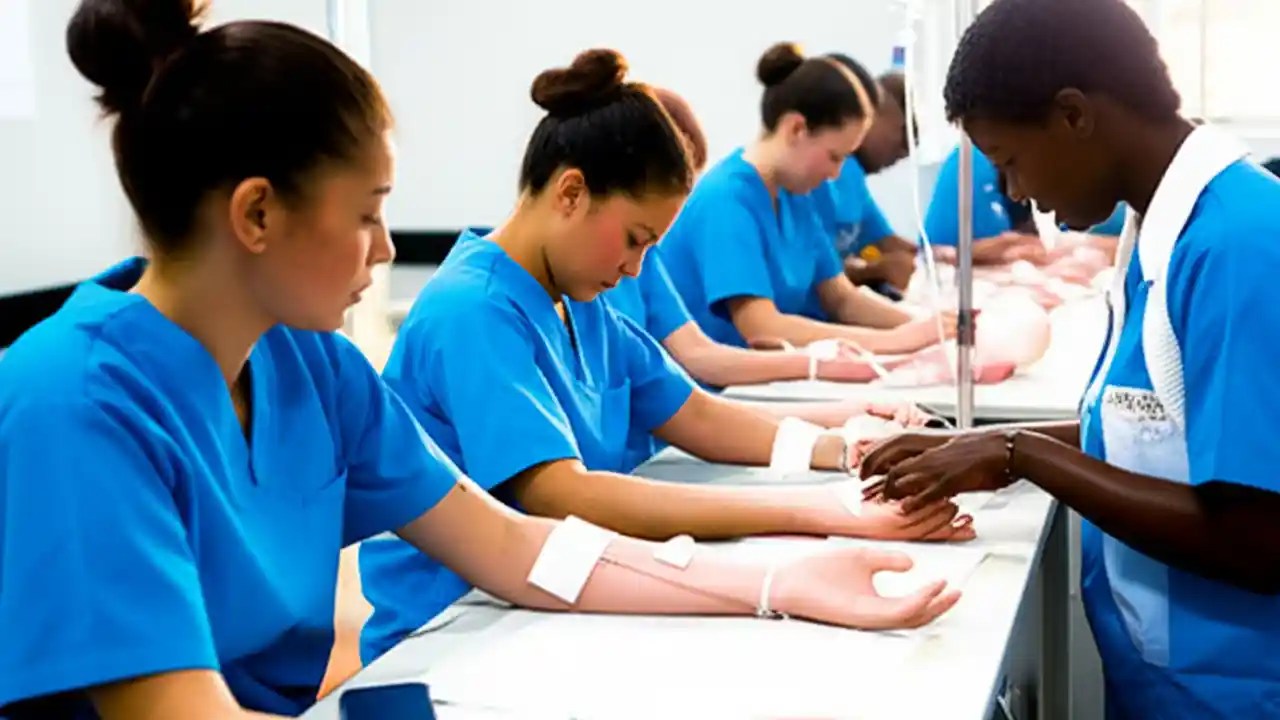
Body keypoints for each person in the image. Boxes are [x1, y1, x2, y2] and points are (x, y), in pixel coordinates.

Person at [0, 4, 964, 718]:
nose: (385, 251)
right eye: (368, 213)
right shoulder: (75, 406)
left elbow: (514, 544)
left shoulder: (312, 370)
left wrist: (778, 585)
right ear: (256, 214)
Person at [358, 49, 975, 665]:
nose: (637, 268)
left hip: (563, 595)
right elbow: (561, 494)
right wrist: (816, 513)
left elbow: (696, 415)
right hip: (451, 631)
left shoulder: (580, 302)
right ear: (571, 192)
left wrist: (842, 447)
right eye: (635, 240)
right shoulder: (474, 312)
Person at [860, 0, 1280, 717]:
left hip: (1238, 691)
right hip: (1171, 683)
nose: (1019, 192)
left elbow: (1257, 534)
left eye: (1011, 162)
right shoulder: (1163, 232)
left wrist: (1022, 451)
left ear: (1074, 115)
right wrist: (978, 447)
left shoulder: (1239, 243)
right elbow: (1154, 435)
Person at [658, 43, 956, 353]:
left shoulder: (795, 196)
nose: (836, 174)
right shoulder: (726, 201)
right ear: (797, 129)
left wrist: (925, 326)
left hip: (771, 376)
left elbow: (841, 298)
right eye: (834, 156)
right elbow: (761, 325)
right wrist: (895, 341)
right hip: (711, 386)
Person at [816, 66, 919, 295]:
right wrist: (875, 270)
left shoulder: (853, 175)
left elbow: (884, 240)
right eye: (903, 132)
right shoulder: (817, 176)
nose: (904, 151)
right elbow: (815, 278)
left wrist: (939, 255)